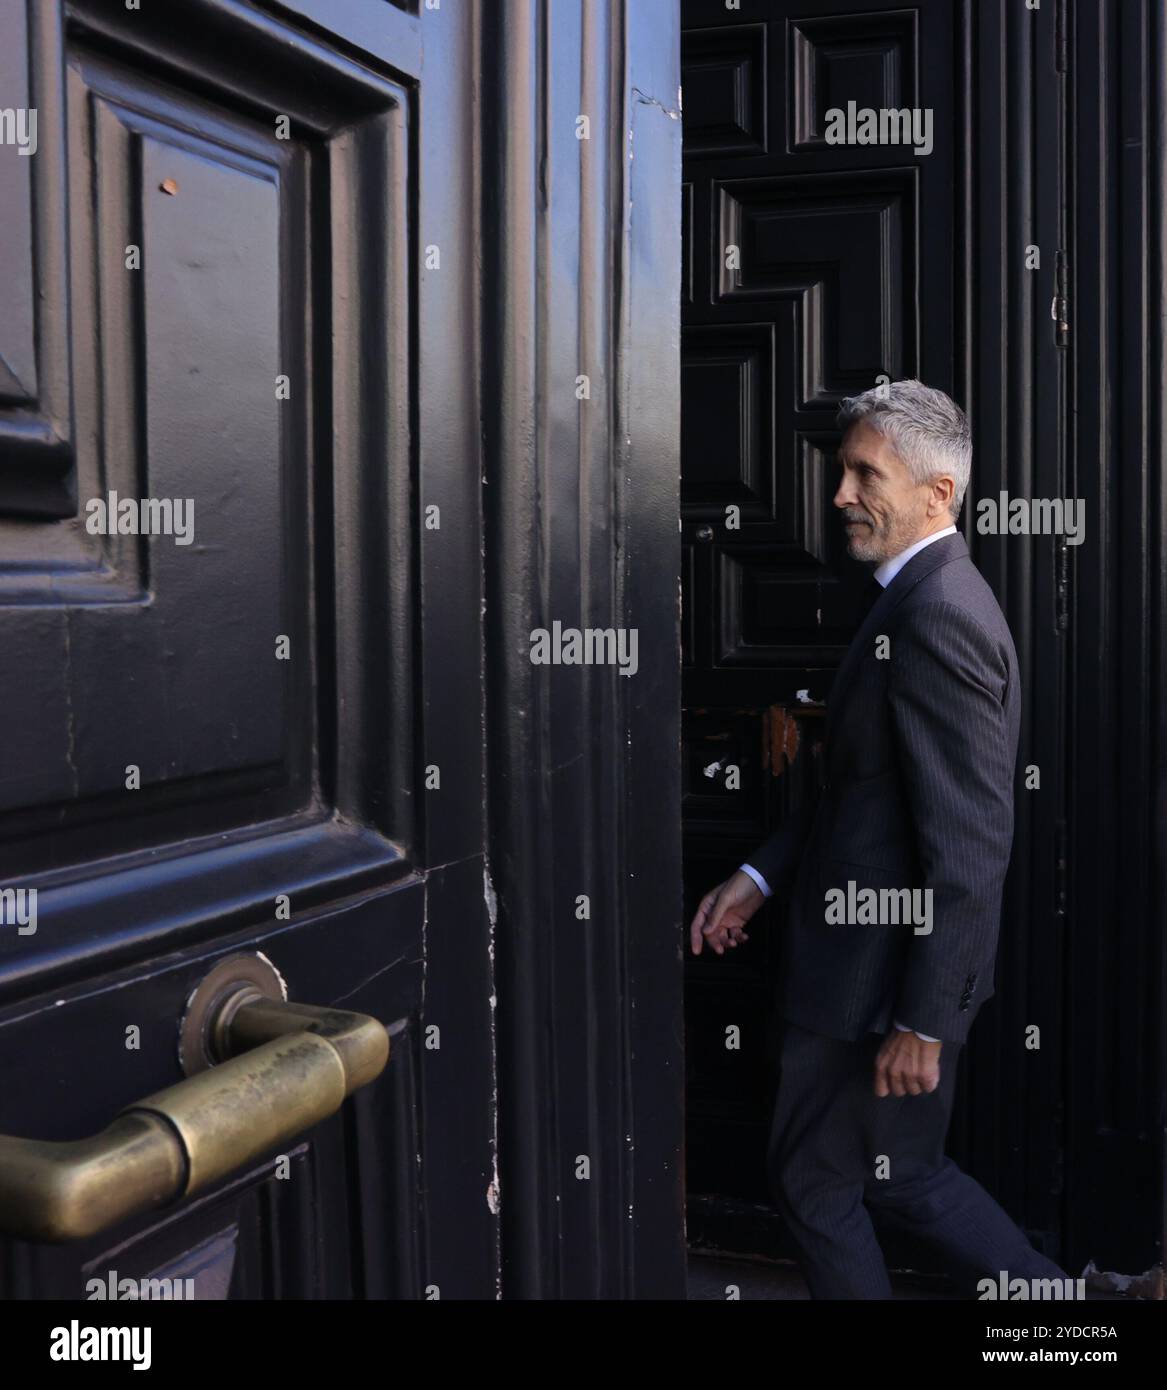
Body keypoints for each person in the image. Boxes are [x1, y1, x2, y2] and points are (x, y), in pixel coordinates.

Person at [689, 380, 1068, 1299]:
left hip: (872, 991)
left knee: (815, 1187)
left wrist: (923, 1022)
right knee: (912, 1179)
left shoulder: (938, 616)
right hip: (872, 976)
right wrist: (759, 875)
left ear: (935, 493)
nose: (839, 495)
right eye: (843, 470)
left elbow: (971, 847)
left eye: (865, 473)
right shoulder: (914, 598)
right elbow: (864, 796)